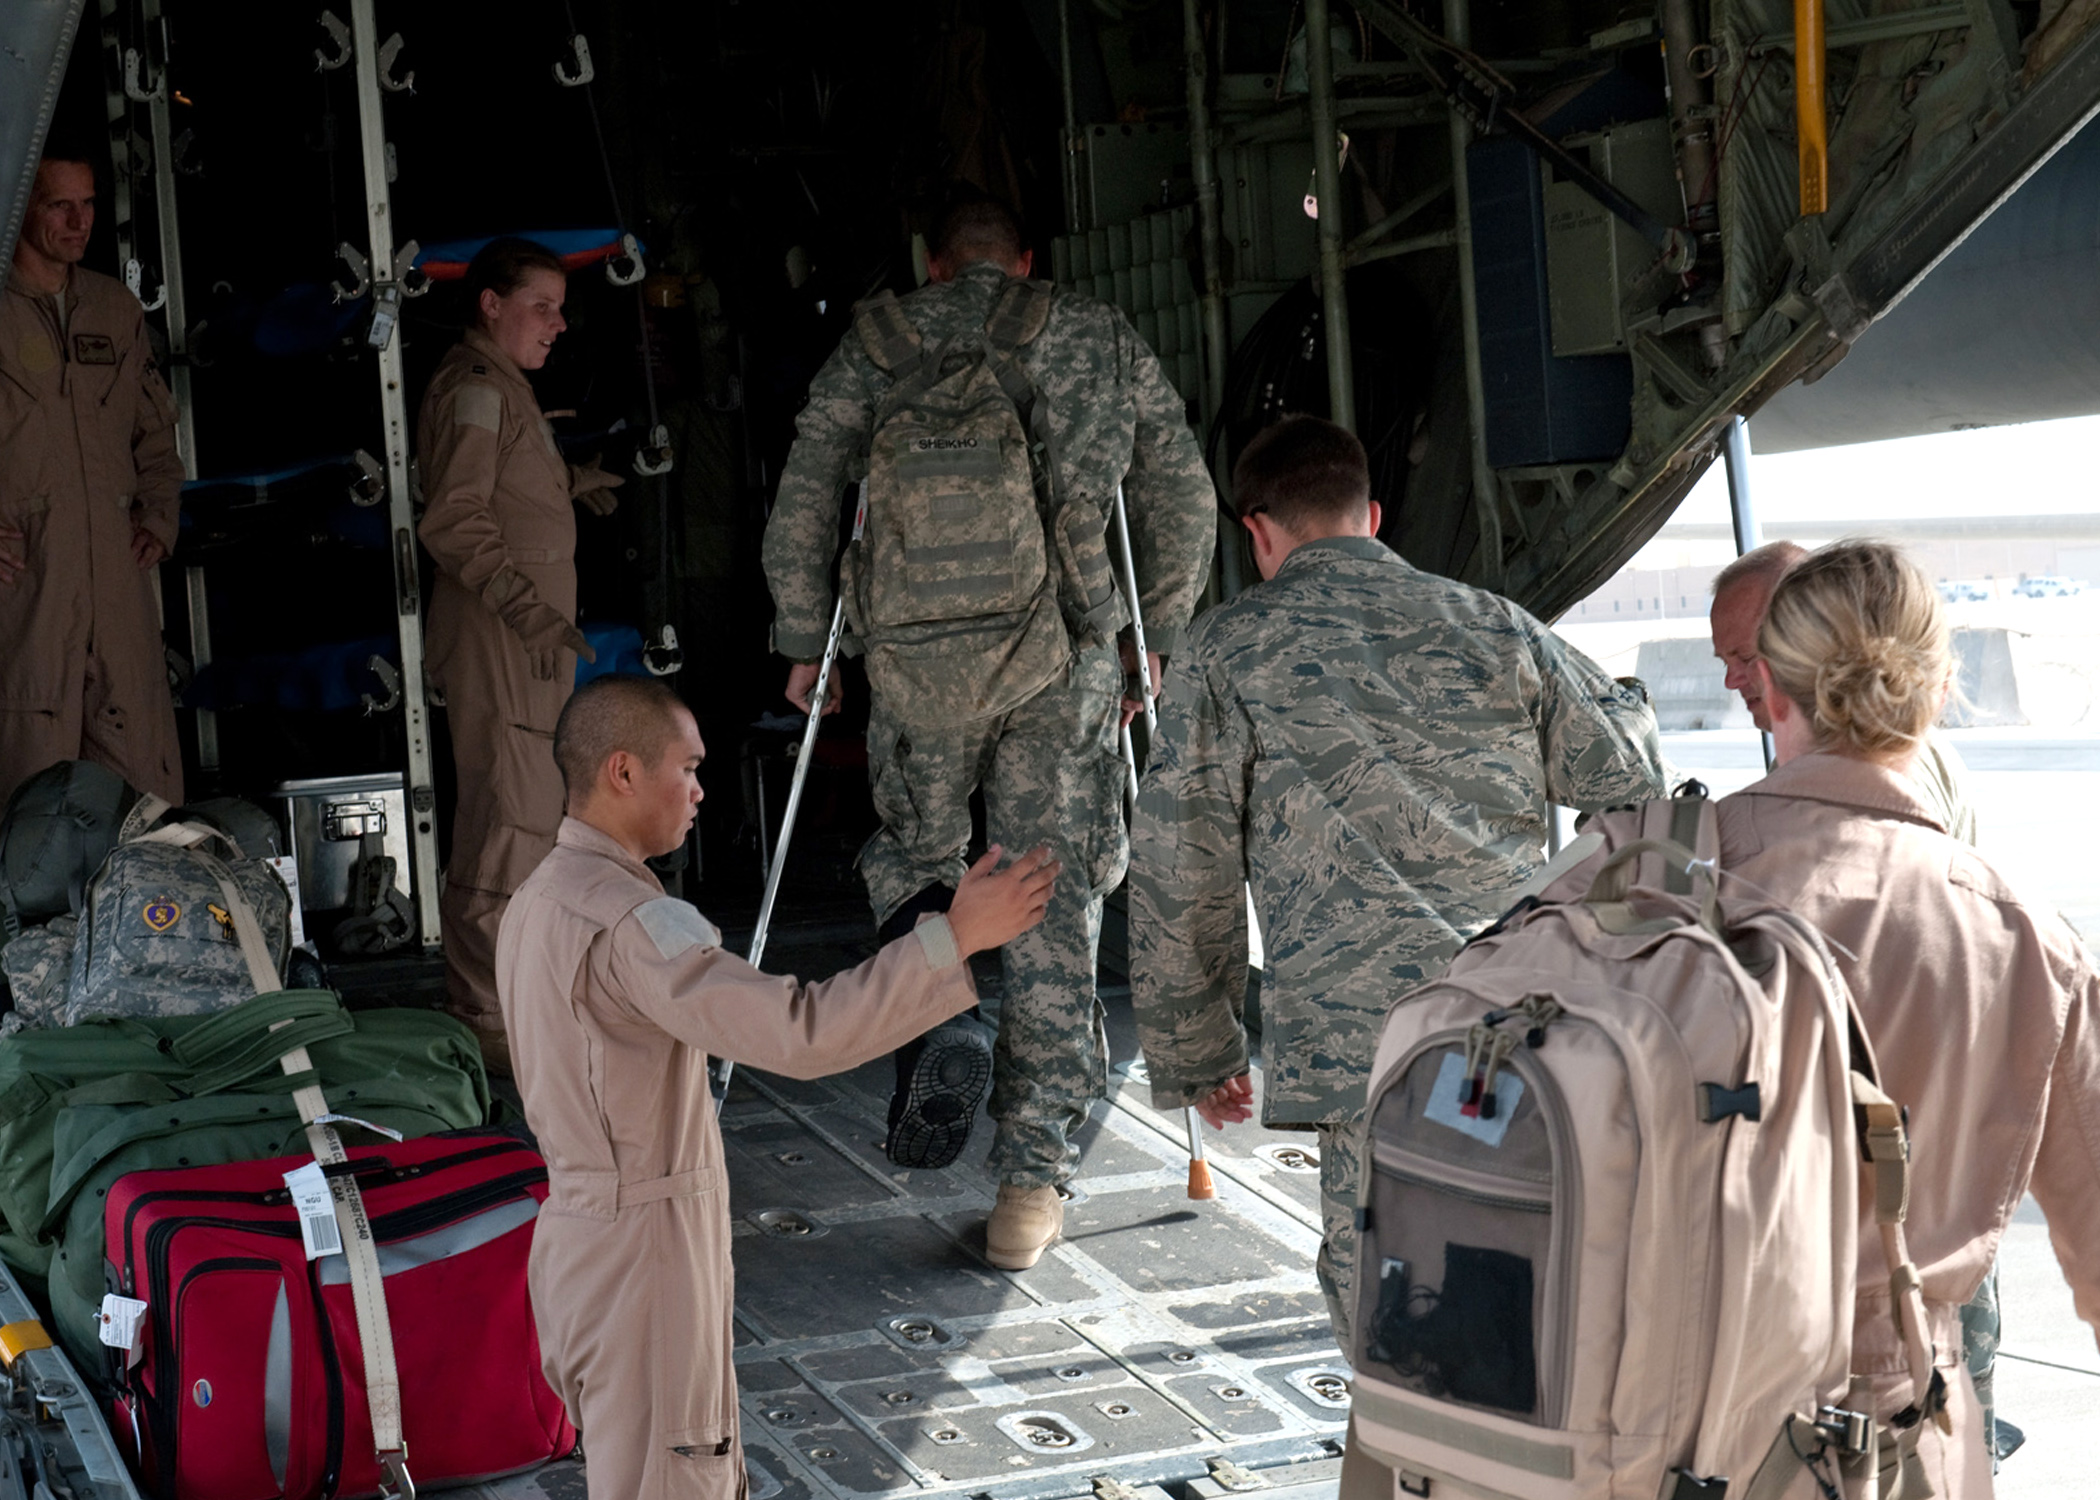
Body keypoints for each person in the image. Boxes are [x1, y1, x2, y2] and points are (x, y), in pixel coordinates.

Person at [1128, 415, 1670, 1344]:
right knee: (1539, 1316)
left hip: (1366, 1061)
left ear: (1257, 532)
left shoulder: (1226, 650)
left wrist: (1200, 1052)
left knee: (1392, 1328)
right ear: (1372, 517)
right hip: (1519, 1037)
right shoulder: (1496, 625)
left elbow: (1185, 866)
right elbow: (1638, 794)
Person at [1588, 540, 2100, 1496]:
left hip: (1636, 1414)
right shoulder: (2027, 941)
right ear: (1939, 688)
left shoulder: (1628, 873)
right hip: (1877, 1434)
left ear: (1773, 692)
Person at [761, 193, 1216, 1268]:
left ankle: (935, 1016)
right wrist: (1151, 637)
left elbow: (808, 493)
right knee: (1049, 901)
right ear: (1025, 262)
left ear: (930, 265)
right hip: (1064, 670)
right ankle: (1030, 1181)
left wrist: (800, 639)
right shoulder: (1094, 335)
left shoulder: (877, 343)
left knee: (919, 859)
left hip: (919, 671)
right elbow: (1181, 493)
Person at [495, 674, 1058, 1500]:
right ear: (622, 772)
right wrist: (953, 938)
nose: (698, 793)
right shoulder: (629, 924)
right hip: (646, 1253)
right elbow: (802, 1032)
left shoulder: (538, 899)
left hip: (584, 1240)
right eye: (686, 769)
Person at [1713, 539, 2007, 1447]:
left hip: (1893, 1173)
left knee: (1920, 1409)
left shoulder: (1879, 780)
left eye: (1745, 657)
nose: (1734, 681)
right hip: (1878, 1159)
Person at [418, 237, 621, 1073]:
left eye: (561, 307)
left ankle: (514, 1007)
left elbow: (500, 488)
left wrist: (571, 486)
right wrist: (529, 612)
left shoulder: (502, 390)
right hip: (506, 636)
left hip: (523, 638)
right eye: (541, 306)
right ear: (490, 305)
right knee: (506, 819)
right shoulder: (475, 390)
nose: (559, 323)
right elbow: (454, 518)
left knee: (528, 813)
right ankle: (490, 1023)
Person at [0, 149, 185, 807]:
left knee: (144, 791)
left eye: (88, 204)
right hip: (28, 586)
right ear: (20, 204)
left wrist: (160, 518)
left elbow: (156, 438)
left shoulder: (114, 308)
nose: (80, 222)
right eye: (60, 205)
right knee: (28, 801)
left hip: (116, 584)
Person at [1712, 540, 1976, 842]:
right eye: (1724, 662)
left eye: (1746, 658)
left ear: (1804, 638)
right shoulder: (1874, 755)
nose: (1731, 681)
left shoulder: (1872, 776)